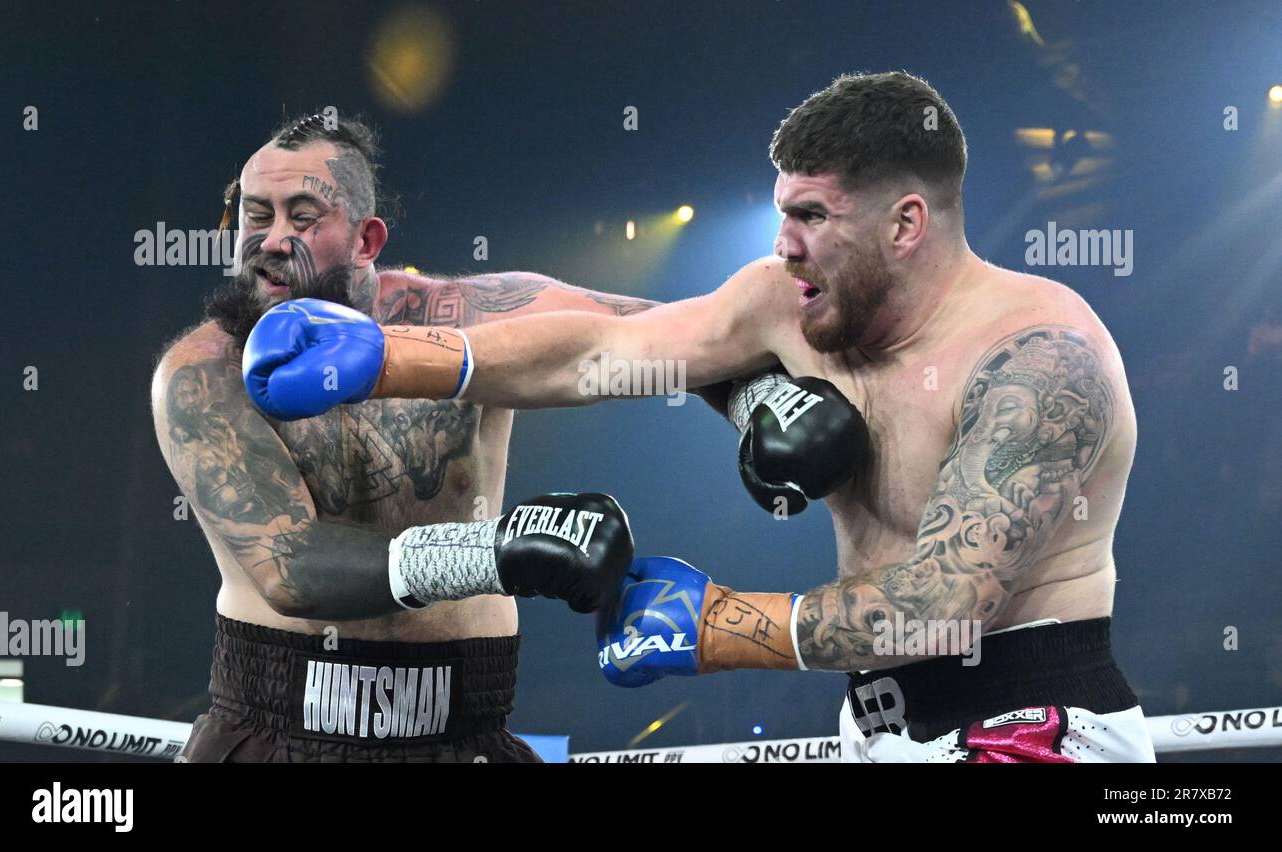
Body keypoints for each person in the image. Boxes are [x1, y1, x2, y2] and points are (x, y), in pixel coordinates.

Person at [244, 73, 1157, 762]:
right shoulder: (785, 300)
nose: (782, 244)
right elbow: (600, 351)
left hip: (1033, 718)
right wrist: (385, 360)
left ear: (906, 223)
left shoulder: (1040, 358)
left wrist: (713, 626)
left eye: (810, 216)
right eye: (780, 213)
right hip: (874, 721)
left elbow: (942, 608)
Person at [151, 113, 666, 762]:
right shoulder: (205, 372)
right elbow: (294, 569)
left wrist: (760, 399)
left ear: (367, 240)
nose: (274, 239)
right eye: (257, 215)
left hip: (464, 722)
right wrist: (503, 551)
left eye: (303, 216)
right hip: (276, 721)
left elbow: (674, 337)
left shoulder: (468, 321)